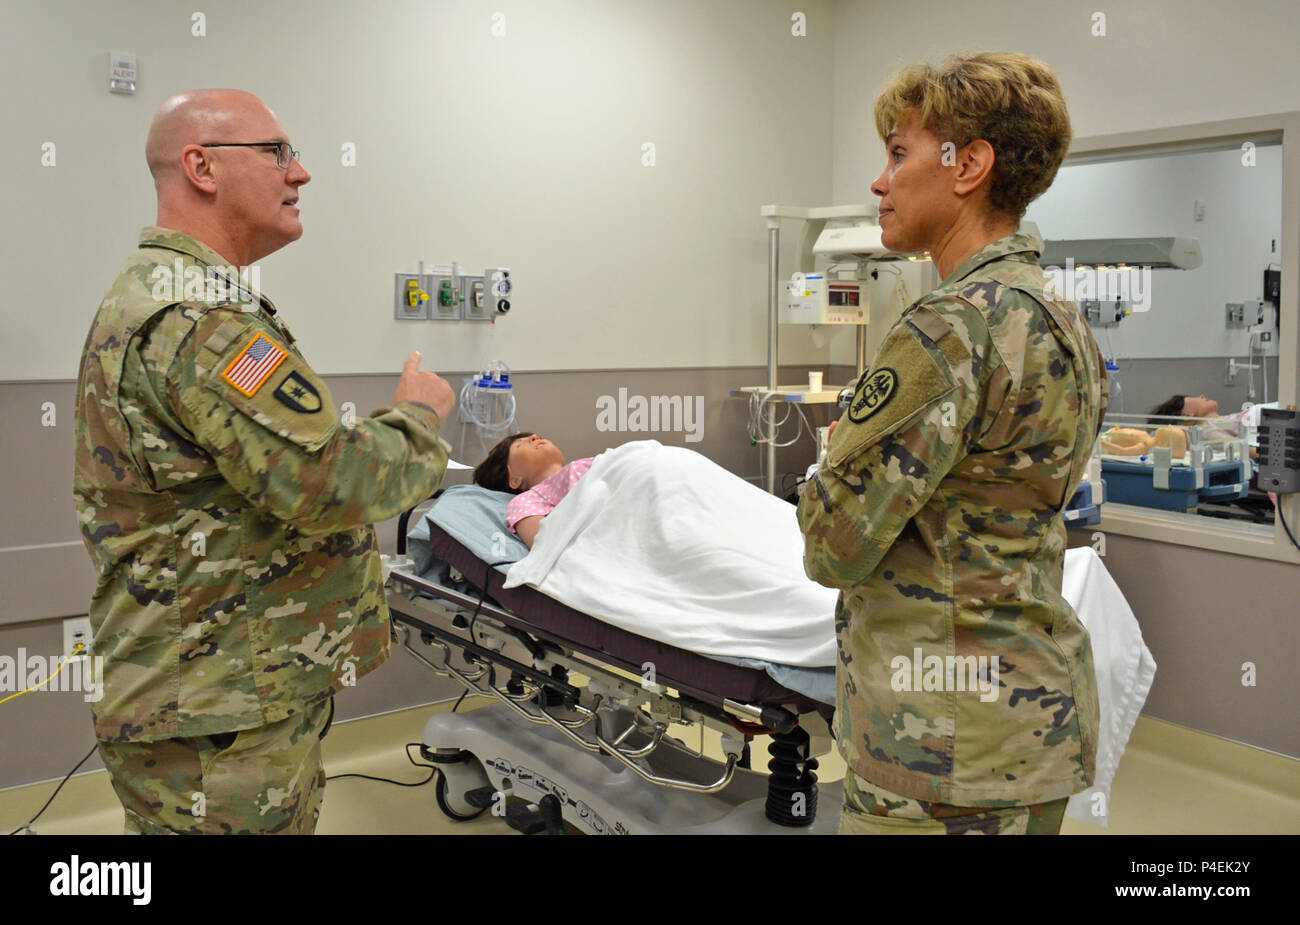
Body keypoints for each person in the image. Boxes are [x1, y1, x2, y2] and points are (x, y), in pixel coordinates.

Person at [73, 89, 457, 834]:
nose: (302, 173)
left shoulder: (167, 295)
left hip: (214, 692)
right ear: (201, 166)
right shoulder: (200, 318)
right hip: (221, 707)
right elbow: (328, 481)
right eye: (278, 152)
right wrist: (418, 414)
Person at [797, 53, 1108, 835]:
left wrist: (833, 461)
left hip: (938, 751)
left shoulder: (947, 327)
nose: (880, 181)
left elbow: (833, 548)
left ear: (967, 165)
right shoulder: (1063, 320)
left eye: (899, 153)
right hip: (1034, 730)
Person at [473, 432, 594, 547]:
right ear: (514, 479)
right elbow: (546, 545)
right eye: (519, 445)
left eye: (537, 437)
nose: (534, 437)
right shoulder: (526, 501)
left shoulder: (590, 464)